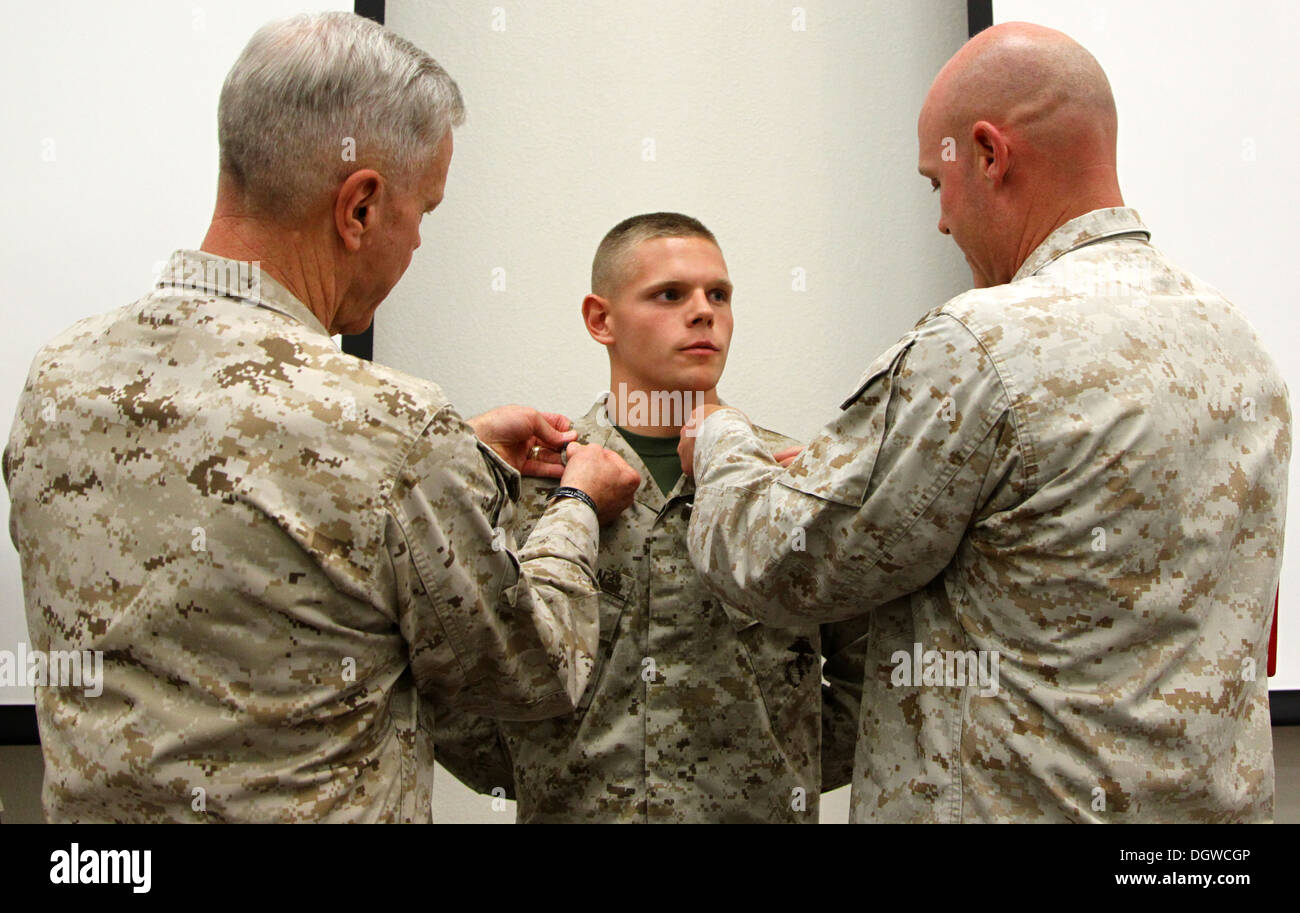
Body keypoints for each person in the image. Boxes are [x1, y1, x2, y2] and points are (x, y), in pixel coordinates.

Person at [3, 11, 639, 823]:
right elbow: (532, 671)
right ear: (361, 207)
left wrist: (461, 456)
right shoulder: (388, 427)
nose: (416, 243)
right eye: (425, 212)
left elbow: (253, 511)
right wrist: (578, 506)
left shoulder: (59, 376)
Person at [680, 23, 1290, 822]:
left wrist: (719, 440)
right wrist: (862, 473)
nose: (940, 221)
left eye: (938, 183)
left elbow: (787, 564)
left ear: (989, 154)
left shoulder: (980, 348)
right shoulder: (1239, 342)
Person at [433, 213, 868, 822]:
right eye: (670, 294)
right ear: (600, 319)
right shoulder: (540, 483)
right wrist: (545, 768)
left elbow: (871, 670)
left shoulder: (788, 480)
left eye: (719, 295)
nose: (703, 312)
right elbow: (450, 667)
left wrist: (776, 769)